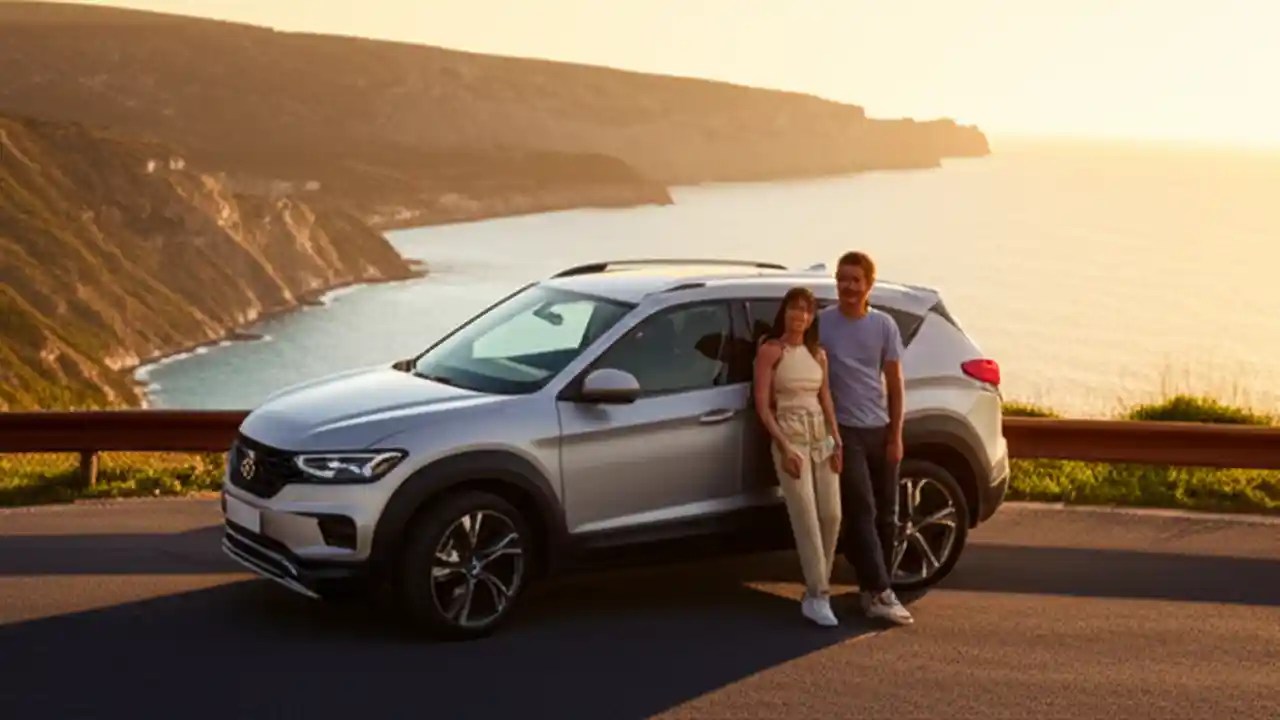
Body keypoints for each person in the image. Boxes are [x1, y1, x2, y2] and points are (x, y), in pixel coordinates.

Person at [818, 251, 914, 626]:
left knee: (888, 515)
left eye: (855, 280)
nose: (848, 287)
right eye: (842, 279)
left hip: (880, 428)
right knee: (862, 511)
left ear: (869, 285)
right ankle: (882, 591)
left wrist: (896, 434)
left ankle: (872, 589)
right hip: (843, 432)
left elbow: (895, 382)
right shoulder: (823, 323)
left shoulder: (884, 326)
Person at [753, 286, 844, 627]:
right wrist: (784, 446)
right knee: (805, 516)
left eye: (806, 311)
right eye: (794, 309)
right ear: (785, 312)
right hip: (789, 436)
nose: (800, 316)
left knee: (832, 515)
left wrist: (837, 440)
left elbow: (826, 399)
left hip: (821, 436)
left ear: (811, 318)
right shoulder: (772, 351)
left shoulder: (818, 354)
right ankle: (819, 594)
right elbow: (762, 406)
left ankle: (816, 590)